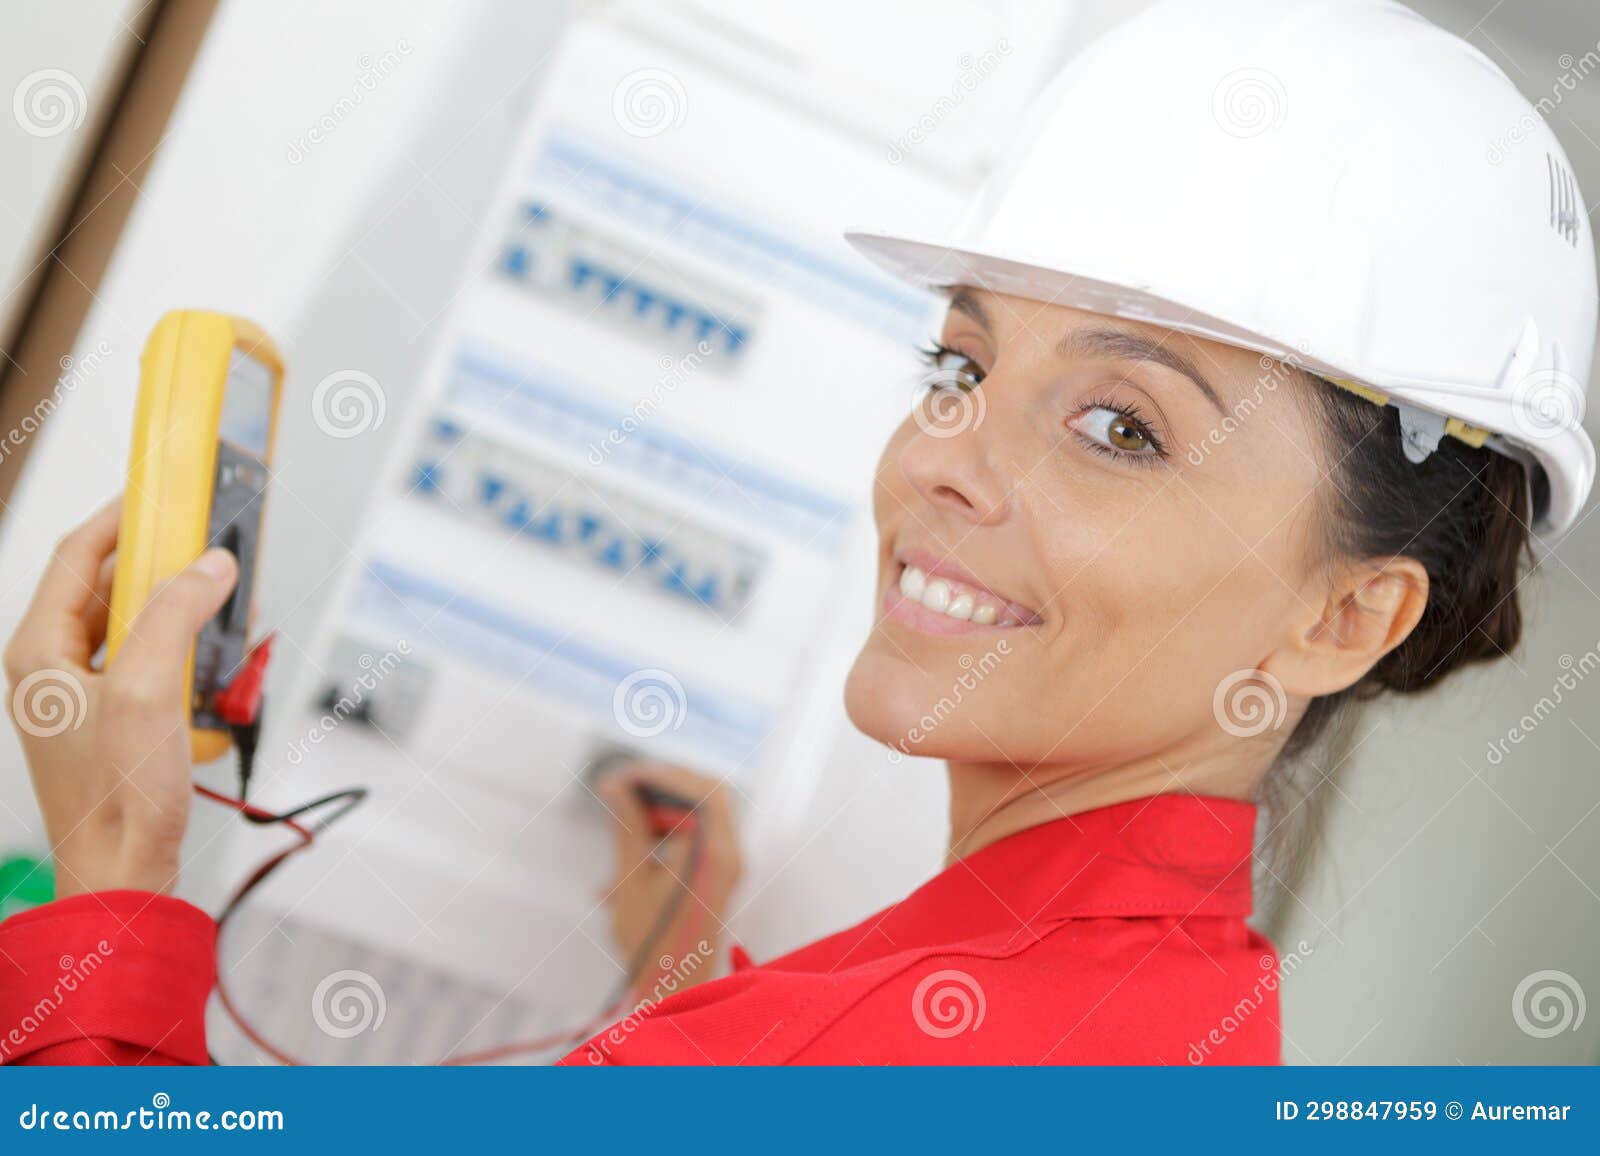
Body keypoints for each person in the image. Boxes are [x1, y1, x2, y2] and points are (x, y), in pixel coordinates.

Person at [1, 0, 1592, 1065]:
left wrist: (118, 872)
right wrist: (700, 989)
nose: (943, 465)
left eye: (1121, 427)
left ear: (1344, 617)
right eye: (960, 365)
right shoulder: (1166, 1022)